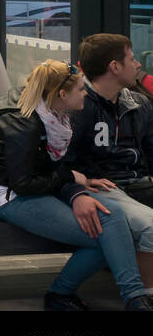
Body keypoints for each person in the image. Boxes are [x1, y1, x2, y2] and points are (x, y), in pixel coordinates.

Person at [0, 58, 151, 310]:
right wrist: (70, 179)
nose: (86, 92)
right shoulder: (25, 127)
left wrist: (80, 184)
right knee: (104, 236)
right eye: (80, 89)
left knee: (112, 215)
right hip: (11, 197)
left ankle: (133, 297)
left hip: (43, 186)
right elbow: (24, 183)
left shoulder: (55, 118)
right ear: (62, 94)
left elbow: (52, 166)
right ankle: (69, 294)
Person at [66, 33, 153, 285]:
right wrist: (79, 189)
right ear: (114, 67)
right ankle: (144, 295)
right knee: (150, 227)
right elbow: (63, 162)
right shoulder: (78, 108)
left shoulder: (140, 104)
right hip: (103, 187)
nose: (138, 65)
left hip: (139, 182)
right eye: (132, 59)